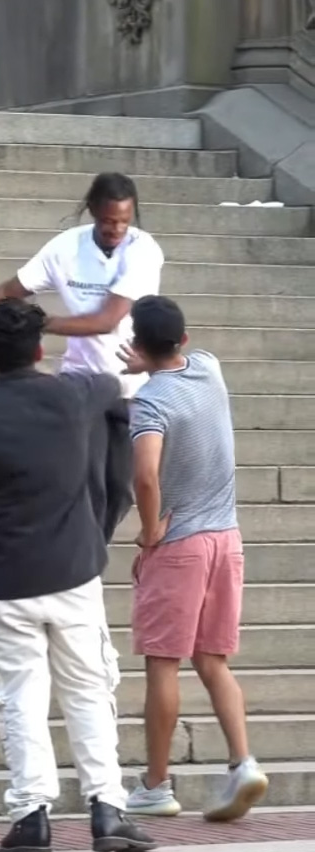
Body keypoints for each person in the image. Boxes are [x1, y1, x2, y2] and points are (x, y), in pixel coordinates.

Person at [0, 297, 156, 852]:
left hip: (4, 580)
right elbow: (112, 388)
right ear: (39, 349)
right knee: (88, 690)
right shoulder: (73, 394)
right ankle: (108, 810)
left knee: (20, 699)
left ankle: (32, 818)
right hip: (74, 570)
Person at [119, 295, 269, 821]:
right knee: (213, 659)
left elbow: (144, 474)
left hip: (180, 543)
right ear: (182, 339)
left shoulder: (150, 403)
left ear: (136, 344)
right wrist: (150, 362)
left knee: (164, 662)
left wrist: (148, 532)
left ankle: (156, 785)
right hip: (227, 538)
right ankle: (242, 762)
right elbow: (173, 360)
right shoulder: (209, 367)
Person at [0, 171, 164, 398]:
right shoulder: (66, 246)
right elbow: (7, 291)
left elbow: (106, 321)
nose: (117, 230)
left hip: (131, 388)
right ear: (92, 210)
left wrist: (36, 323)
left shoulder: (142, 249)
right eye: (109, 221)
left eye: (125, 221)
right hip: (79, 381)